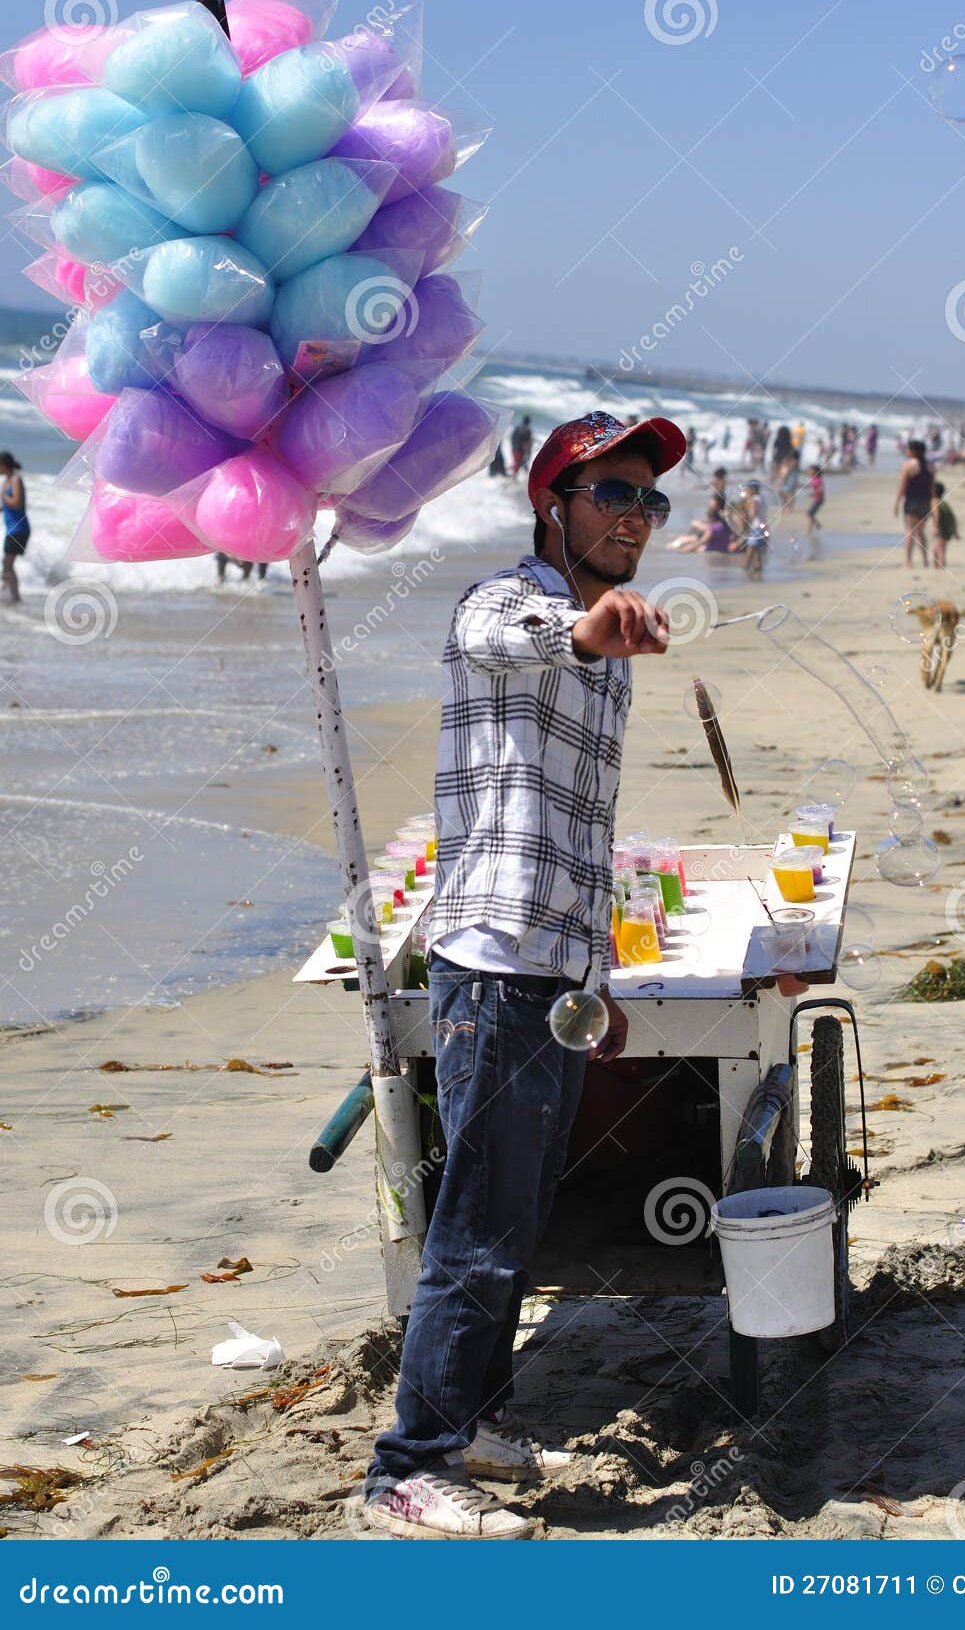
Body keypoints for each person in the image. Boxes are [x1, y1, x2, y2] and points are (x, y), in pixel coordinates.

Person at [362, 409, 804, 1538]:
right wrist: (593, 627)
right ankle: (408, 1466)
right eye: (612, 493)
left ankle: (464, 1420)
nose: (636, 517)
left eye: (650, 499)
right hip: (492, 967)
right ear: (551, 505)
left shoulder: (605, 661)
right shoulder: (500, 604)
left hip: (549, 975)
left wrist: (591, 978)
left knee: (512, 1214)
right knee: (474, 1226)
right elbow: (527, 636)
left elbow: (578, 831)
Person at [894, 438, 933, 568]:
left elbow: (902, 487)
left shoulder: (909, 465)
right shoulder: (929, 466)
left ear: (914, 451)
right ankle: (925, 561)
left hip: (912, 500)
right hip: (926, 500)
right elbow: (932, 487)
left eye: (908, 449)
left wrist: (897, 503)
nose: (907, 451)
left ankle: (908, 562)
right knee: (921, 532)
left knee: (910, 531)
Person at [1, 452, 29, 605]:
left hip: (19, 529)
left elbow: (17, 503)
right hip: (11, 529)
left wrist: (4, 496)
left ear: (3, 465)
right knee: (7, 564)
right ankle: (11, 595)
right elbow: (6, 505)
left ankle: (14, 597)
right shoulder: (7, 480)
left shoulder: (16, 480)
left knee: (7, 564)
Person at [931, 479, 957, 569]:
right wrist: (954, 530)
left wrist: (935, 527)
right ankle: (941, 564)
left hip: (942, 527)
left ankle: (939, 566)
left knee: (938, 548)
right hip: (948, 526)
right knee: (942, 547)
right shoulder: (944, 502)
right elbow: (952, 516)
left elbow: (936, 514)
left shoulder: (934, 501)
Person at [805, 463, 825, 533]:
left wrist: (813, 493)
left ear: (815, 472)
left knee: (809, 513)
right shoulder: (814, 479)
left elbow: (821, 489)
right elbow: (811, 485)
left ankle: (810, 530)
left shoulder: (817, 479)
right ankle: (816, 526)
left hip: (819, 499)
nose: (808, 472)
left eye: (810, 470)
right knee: (810, 514)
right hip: (817, 499)